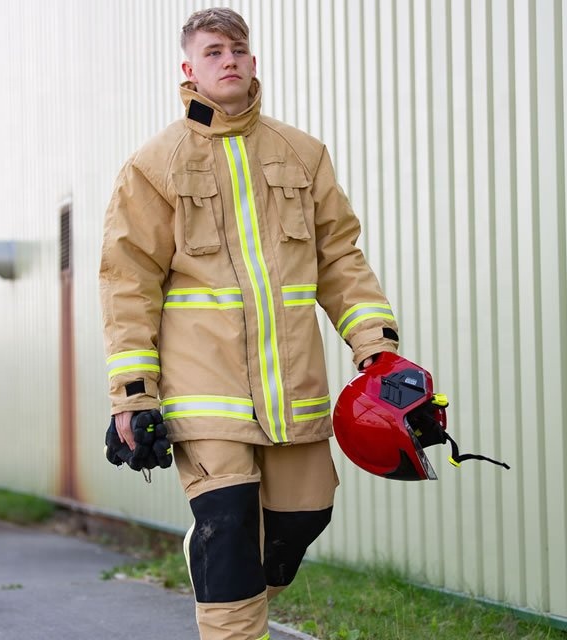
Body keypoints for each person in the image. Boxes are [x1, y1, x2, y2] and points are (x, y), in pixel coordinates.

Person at [99, 7, 399, 640]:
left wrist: (377, 348)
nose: (228, 59)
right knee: (230, 536)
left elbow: (340, 257)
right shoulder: (155, 165)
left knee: (303, 517)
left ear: (254, 61)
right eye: (212, 52)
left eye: (237, 49)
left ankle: (215, 560)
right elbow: (128, 282)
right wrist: (133, 394)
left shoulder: (304, 154)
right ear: (189, 69)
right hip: (206, 391)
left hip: (293, 391)